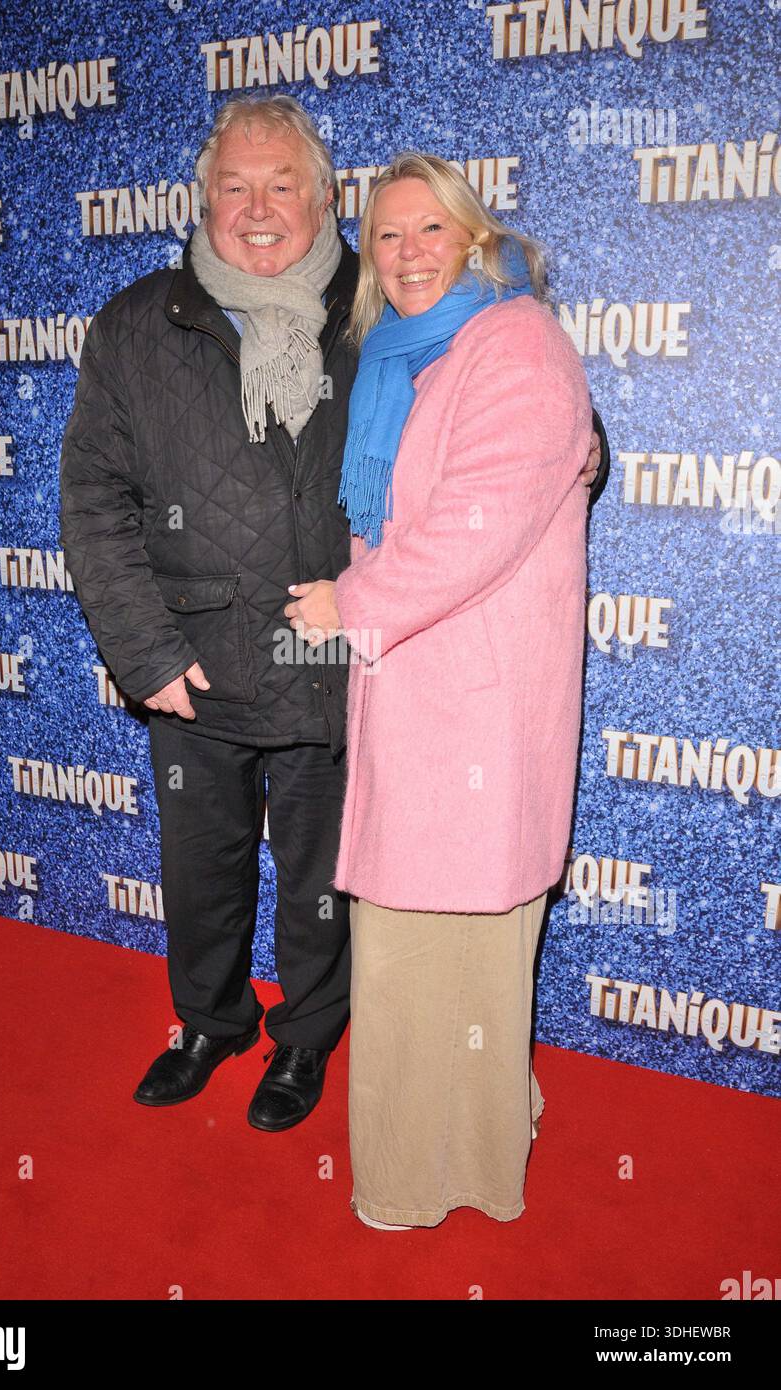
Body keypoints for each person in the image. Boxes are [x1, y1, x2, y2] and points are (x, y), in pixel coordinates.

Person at [59, 97, 608, 1136]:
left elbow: (505, 398)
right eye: (235, 187)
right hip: (198, 661)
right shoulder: (140, 322)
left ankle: (305, 1038)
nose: (258, 209)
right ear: (203, 199)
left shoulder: (381, 303)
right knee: (201, 870)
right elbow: (92, 497)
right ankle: (208, 1022)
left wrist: (589, 448)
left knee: (323, 877)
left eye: (283, 187)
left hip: (340, 657)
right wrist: (143, 650)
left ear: (324, 203)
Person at [285, 152, 593, 1227]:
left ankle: (432, 1176)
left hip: (475, 709)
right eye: (388, 235)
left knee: (434, 949)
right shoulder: (405, 357)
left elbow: (478, 524)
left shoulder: (514, 344)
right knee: (428, 946)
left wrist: (348, 605)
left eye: (430, 229)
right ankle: (478, 1122)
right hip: (426, 697)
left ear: (471, 236)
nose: (407, 252)